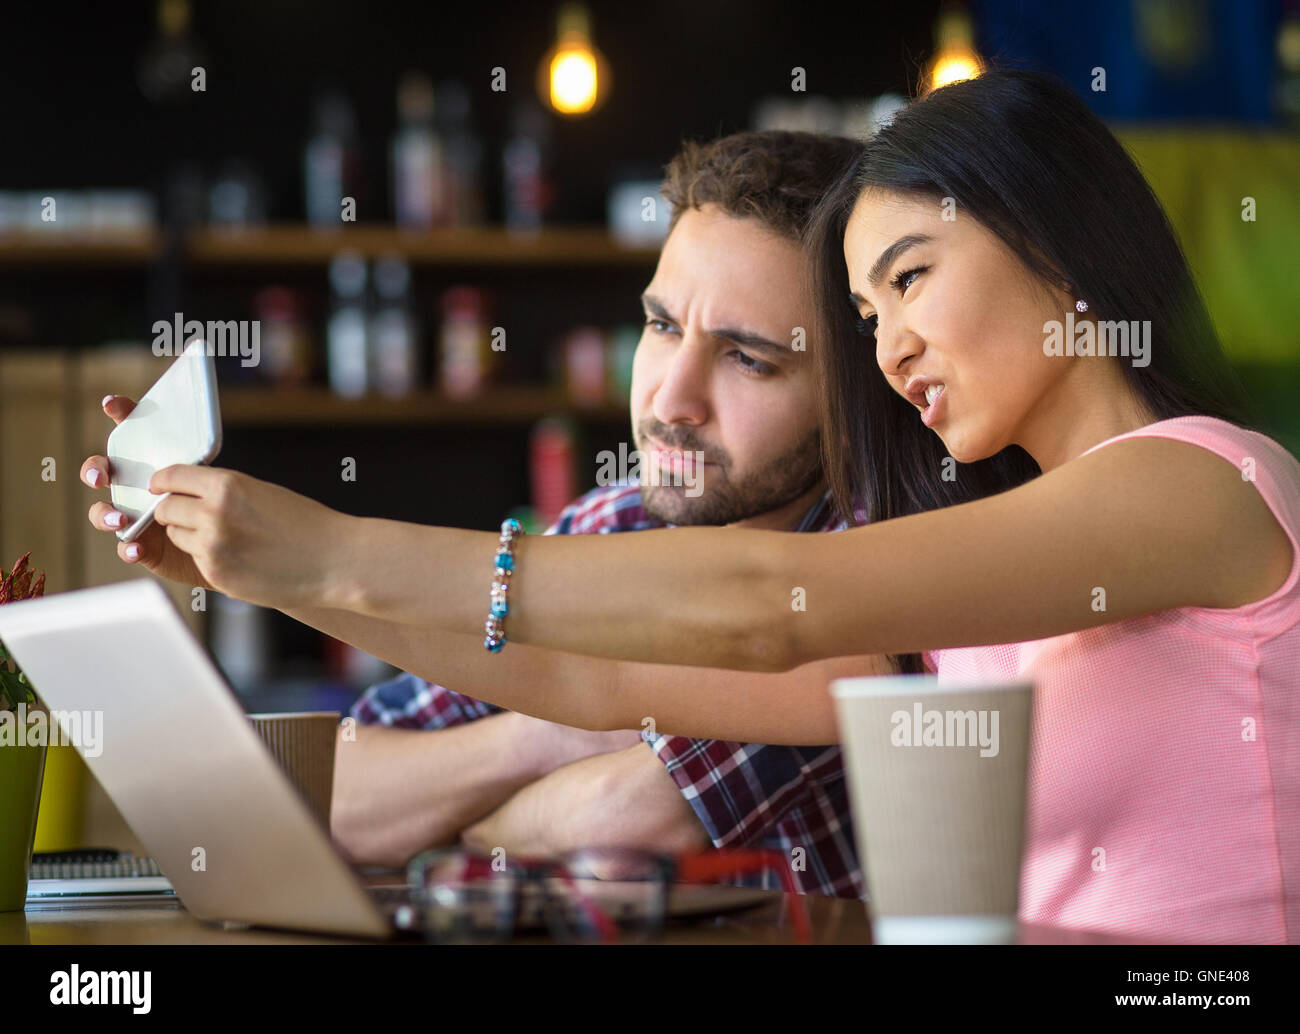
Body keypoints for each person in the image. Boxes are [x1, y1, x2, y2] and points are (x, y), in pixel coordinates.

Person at [83, 71, 1300, 943]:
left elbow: (765, 605)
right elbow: (596, 677)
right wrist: (282, 574)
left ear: (1057, 243)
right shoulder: (982, 585)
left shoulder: (1199, 481)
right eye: (868, 318)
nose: (890, 351)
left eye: (911, 278)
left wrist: (339, 546)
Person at [88, 131, 887, 899]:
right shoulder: (615, 521)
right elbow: (327, 796)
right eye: (662, 326)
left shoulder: (881, 569)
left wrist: (448, 830)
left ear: (856, 393)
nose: (670, 400)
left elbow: (626, 823)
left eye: (748, 358)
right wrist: (544, 737)